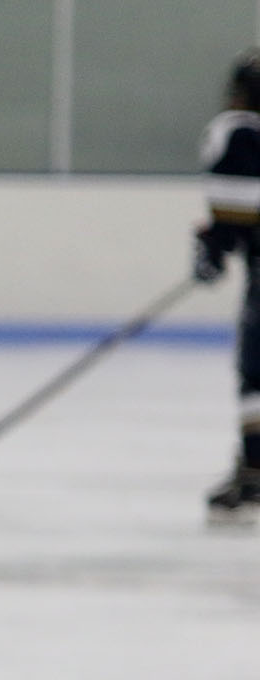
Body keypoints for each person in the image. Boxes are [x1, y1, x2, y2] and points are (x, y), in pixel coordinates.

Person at [194, 48, 260, 522]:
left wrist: (214, 245)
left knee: (257, 372)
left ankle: (256, 471)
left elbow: (236, 209)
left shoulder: (237, 132)